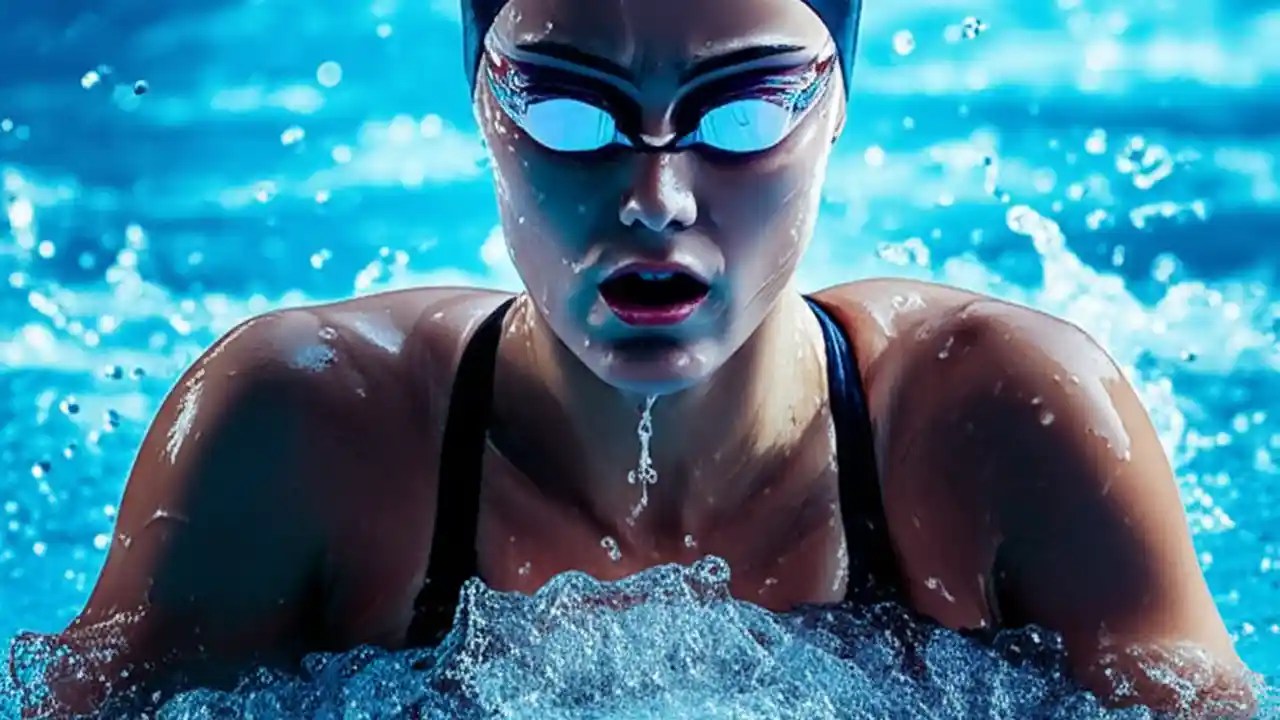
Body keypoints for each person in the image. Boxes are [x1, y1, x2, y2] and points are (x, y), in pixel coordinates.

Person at [18, 0, 1256, 716]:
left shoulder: (1007, 430)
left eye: (743, 110)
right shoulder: (301, 438)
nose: (654, 196)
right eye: (564, 108)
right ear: (480, 103)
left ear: (835, 106)